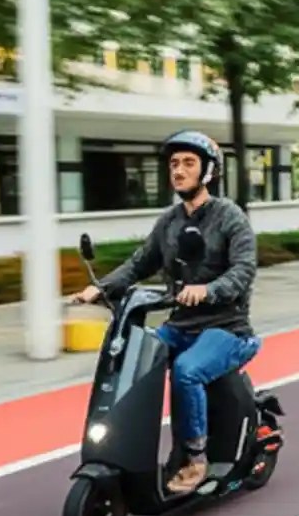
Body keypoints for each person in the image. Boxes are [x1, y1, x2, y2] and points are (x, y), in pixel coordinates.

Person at [69, 130, 262, 493]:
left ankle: (195, 458)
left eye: (189, 163)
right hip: (181, 325)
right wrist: (101, 288)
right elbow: (139, 263)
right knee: (136, 362)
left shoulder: (229, 217)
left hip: (227, 328)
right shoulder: (170, 222)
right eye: (174, 163)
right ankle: (122, 451)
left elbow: (243, 269)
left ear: (207, 172)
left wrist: (208, 290)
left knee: (187, 372)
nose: (179, 170)